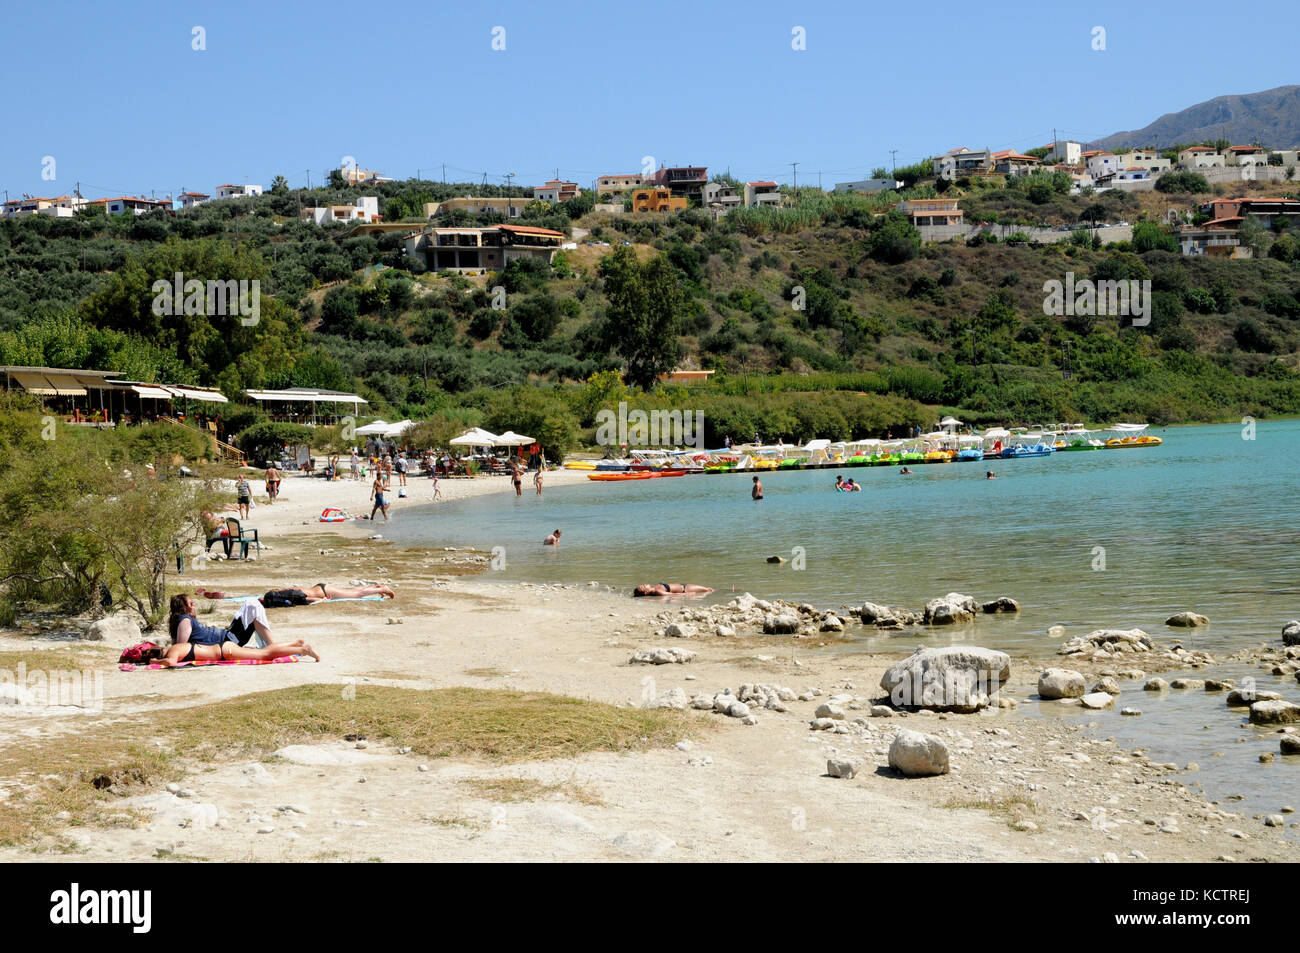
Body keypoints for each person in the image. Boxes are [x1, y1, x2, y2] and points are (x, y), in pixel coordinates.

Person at [162, 594, 318, 667]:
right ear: (183, 607)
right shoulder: (185, 620)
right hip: (229, 641)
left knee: (253, 605)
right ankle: (278, 647)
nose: (194, 605)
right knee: (252, 604)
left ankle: (285, 645)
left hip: (228, 638)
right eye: (191, 603)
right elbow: (181, 647)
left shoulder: (187, 620)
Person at [634, 583, 714, 596]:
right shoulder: (657, 591)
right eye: (643, 587)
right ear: (645, 592)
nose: (644, 584)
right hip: (686, 589)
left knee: (709, 589)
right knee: (709, 590)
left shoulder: (655, 588)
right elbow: (672, 595)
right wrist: (686, 595)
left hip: (685, 586)